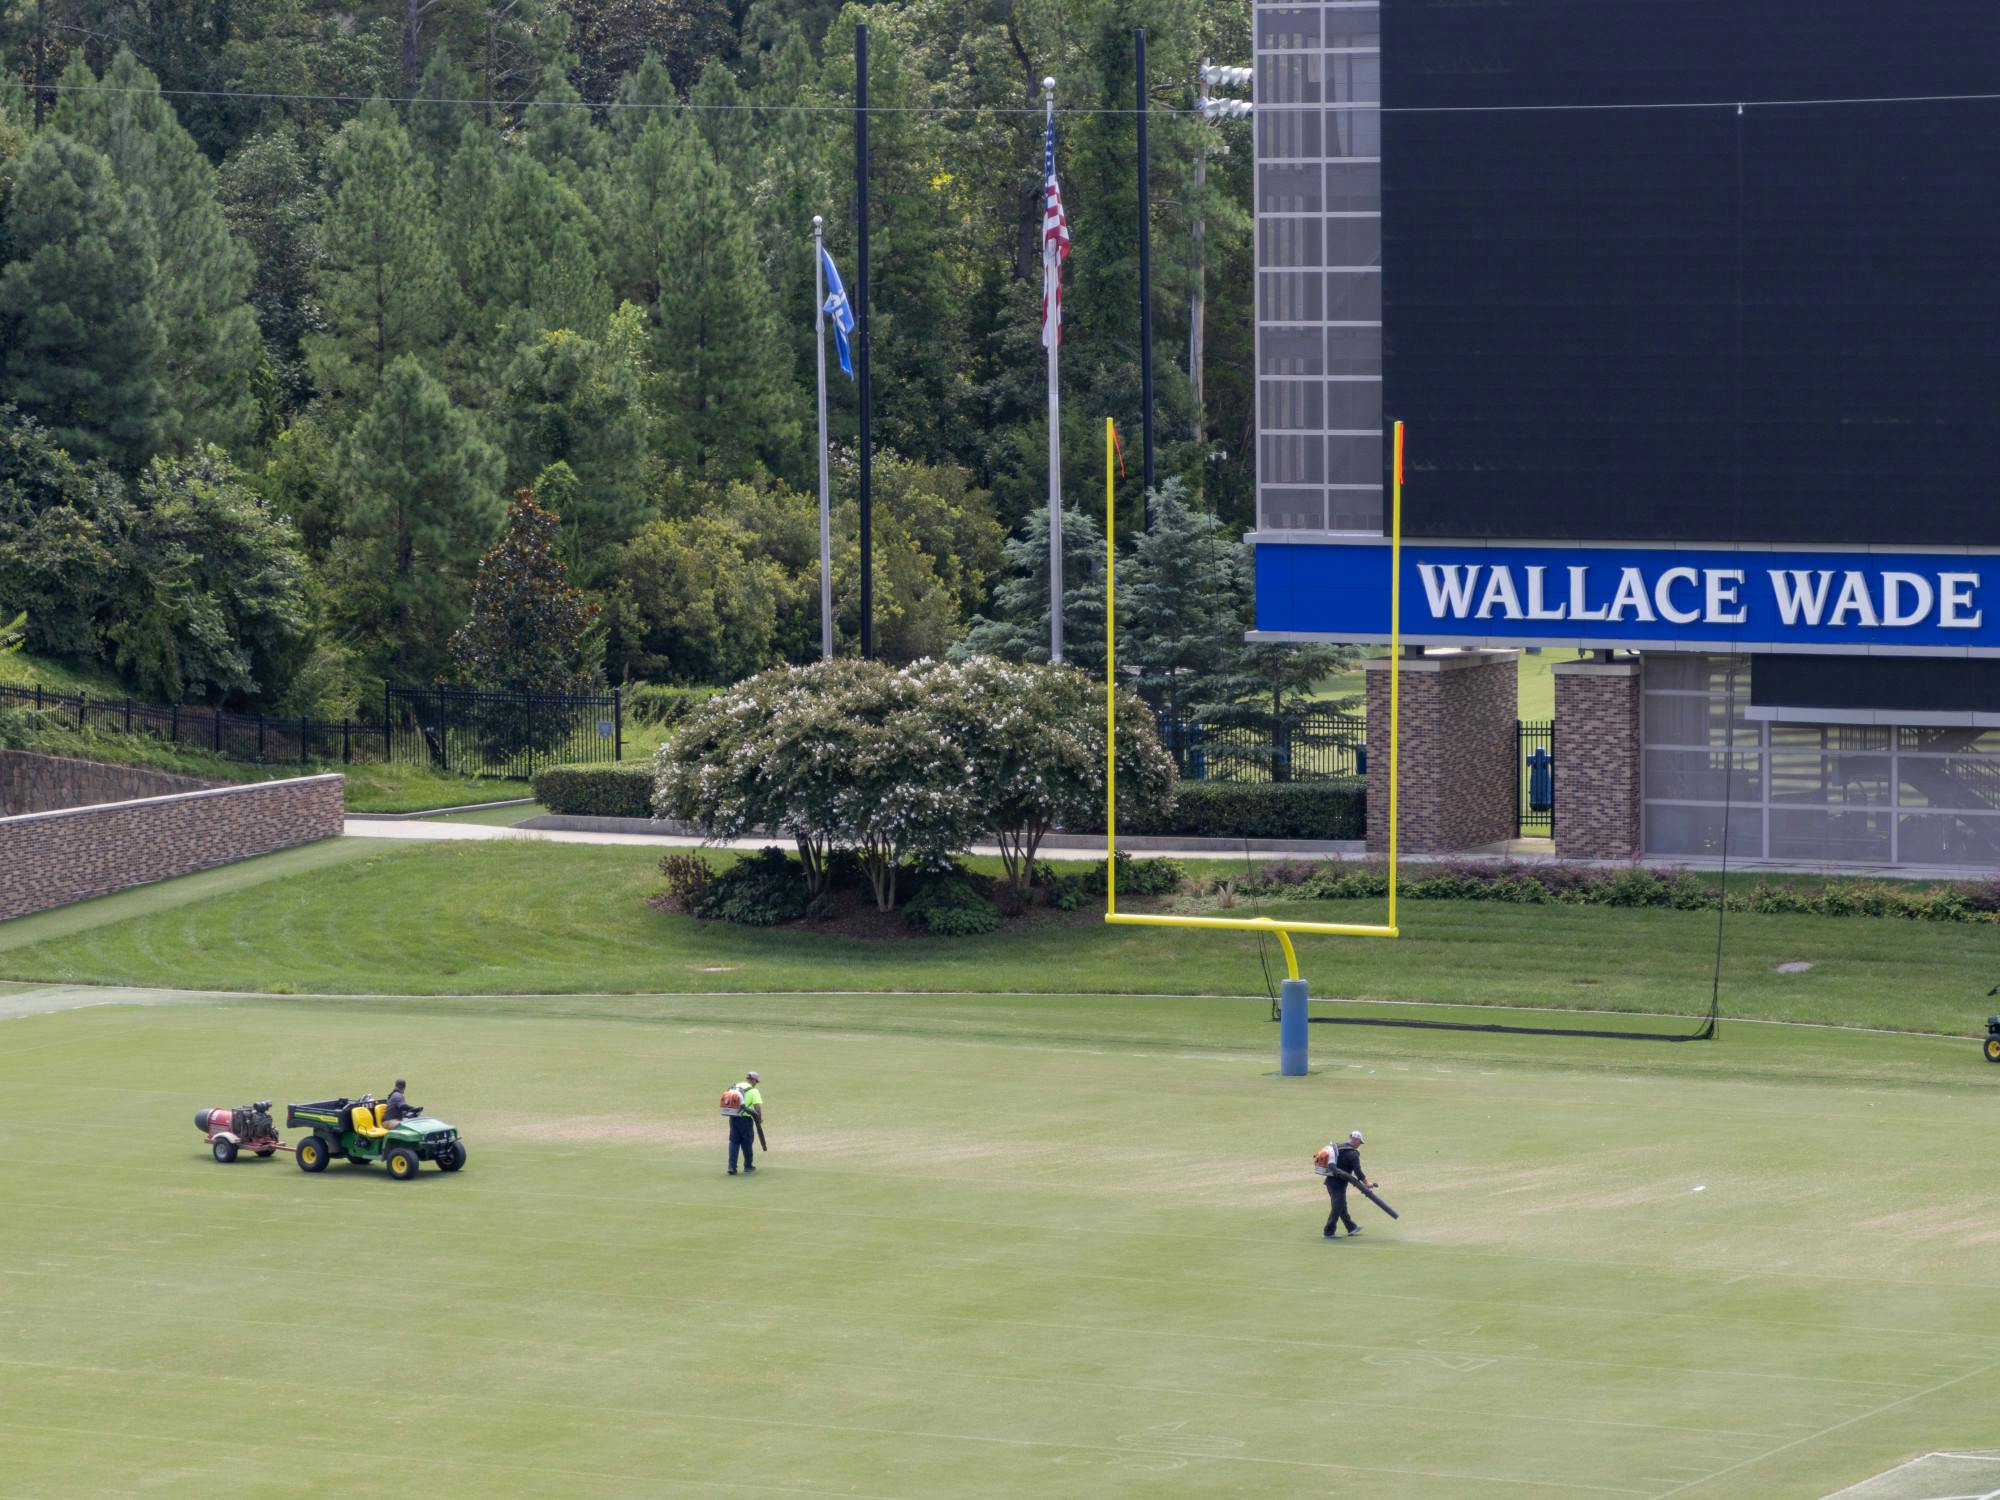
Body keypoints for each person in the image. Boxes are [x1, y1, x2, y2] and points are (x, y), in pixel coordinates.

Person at [1323, 1129, 1378, 1239]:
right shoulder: (1353, 1154)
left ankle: (1351, 1227)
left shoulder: (1339, 1147)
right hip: (1338, 1184)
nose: (1359, 1145)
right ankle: (1328, 1232)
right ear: (1356, 1140)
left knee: (1341, 1205)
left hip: (1330, 1182)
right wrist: (1367, 1183)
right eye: (1360, 1142)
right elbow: (1358, 1171)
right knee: (1337, 1207)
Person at [727, 1070, 763, 1175]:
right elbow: (757, 1107)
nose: (756, 1083)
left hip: (733, 1118)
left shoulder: (736, 1087)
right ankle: (748, 1166)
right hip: (745, 1120)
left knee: (734, 1142)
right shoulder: (753, 1091)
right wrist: (759, 1119)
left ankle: (731, 1167)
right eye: (756, 1081)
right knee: (747, 1142)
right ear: (753, 1080)